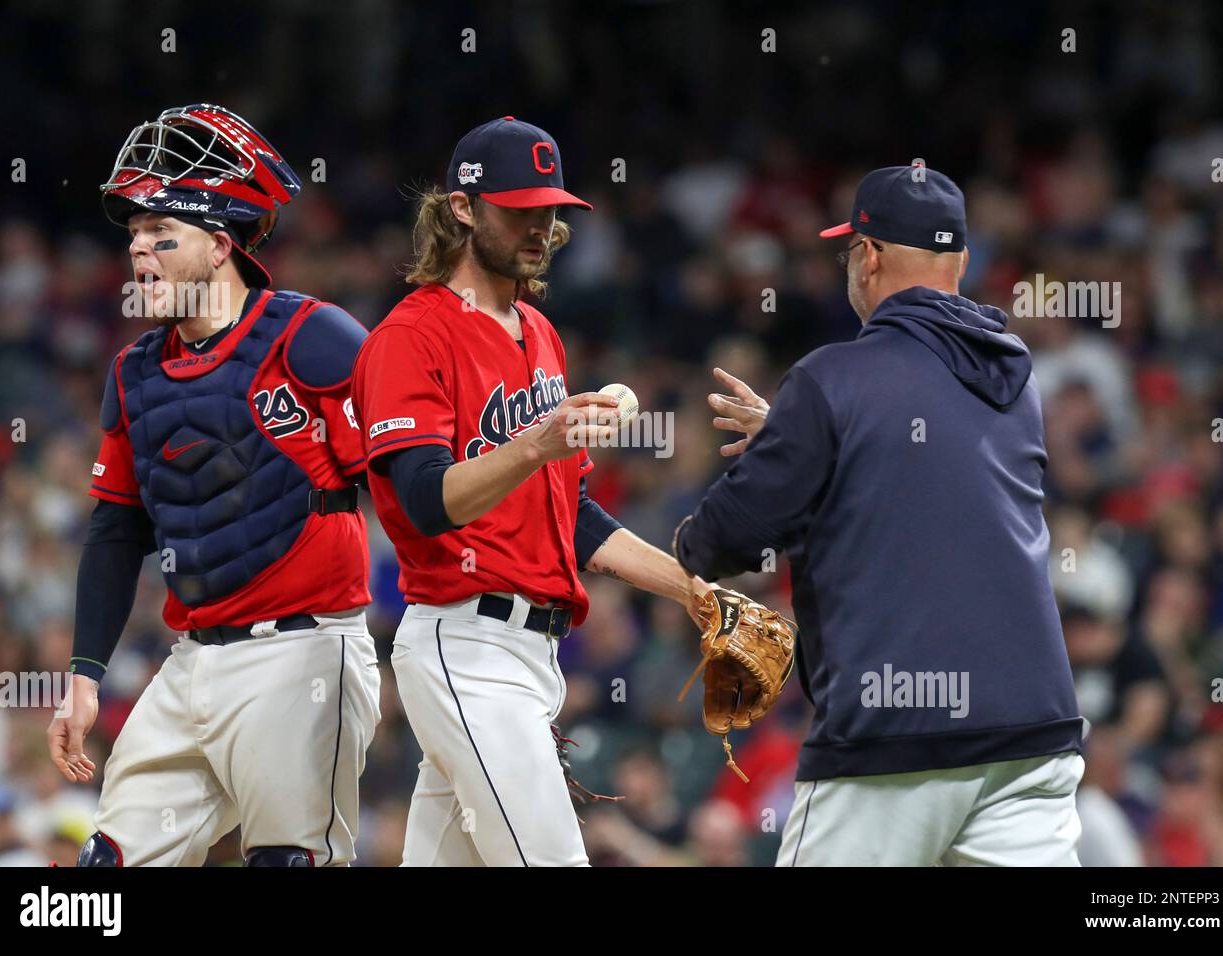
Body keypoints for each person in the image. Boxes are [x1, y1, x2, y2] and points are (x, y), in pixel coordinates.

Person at [674, 165, 1086, 866]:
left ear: (868, 256)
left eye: (848, 249)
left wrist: (790, 446)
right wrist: (801, 436)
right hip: (1033, 736)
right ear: (957, 259)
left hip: (893, 744)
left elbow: (721, 542)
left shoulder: (830, 378)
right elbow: (925, 463)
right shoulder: (1015, 379)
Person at [351, 116, 711, 866]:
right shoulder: (410, 336)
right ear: (461, 208)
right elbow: (422, 499)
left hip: (535, 655)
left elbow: (573, 516)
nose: (540, 225)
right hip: (465, 641)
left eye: (550, 209)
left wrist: (693, 590)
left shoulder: (539, 333)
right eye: (519, 208)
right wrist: (537, 444)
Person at [46, 104, 380, 867]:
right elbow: (114, 530)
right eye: (134, 238)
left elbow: (405, 477)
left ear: (221, 245)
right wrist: (85, 676)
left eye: (163, 235)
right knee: (102, 872)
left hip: (304, 653)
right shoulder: (133, 371)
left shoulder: (311, 334)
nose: (142, 254)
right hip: (190, 660)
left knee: (285, 862)